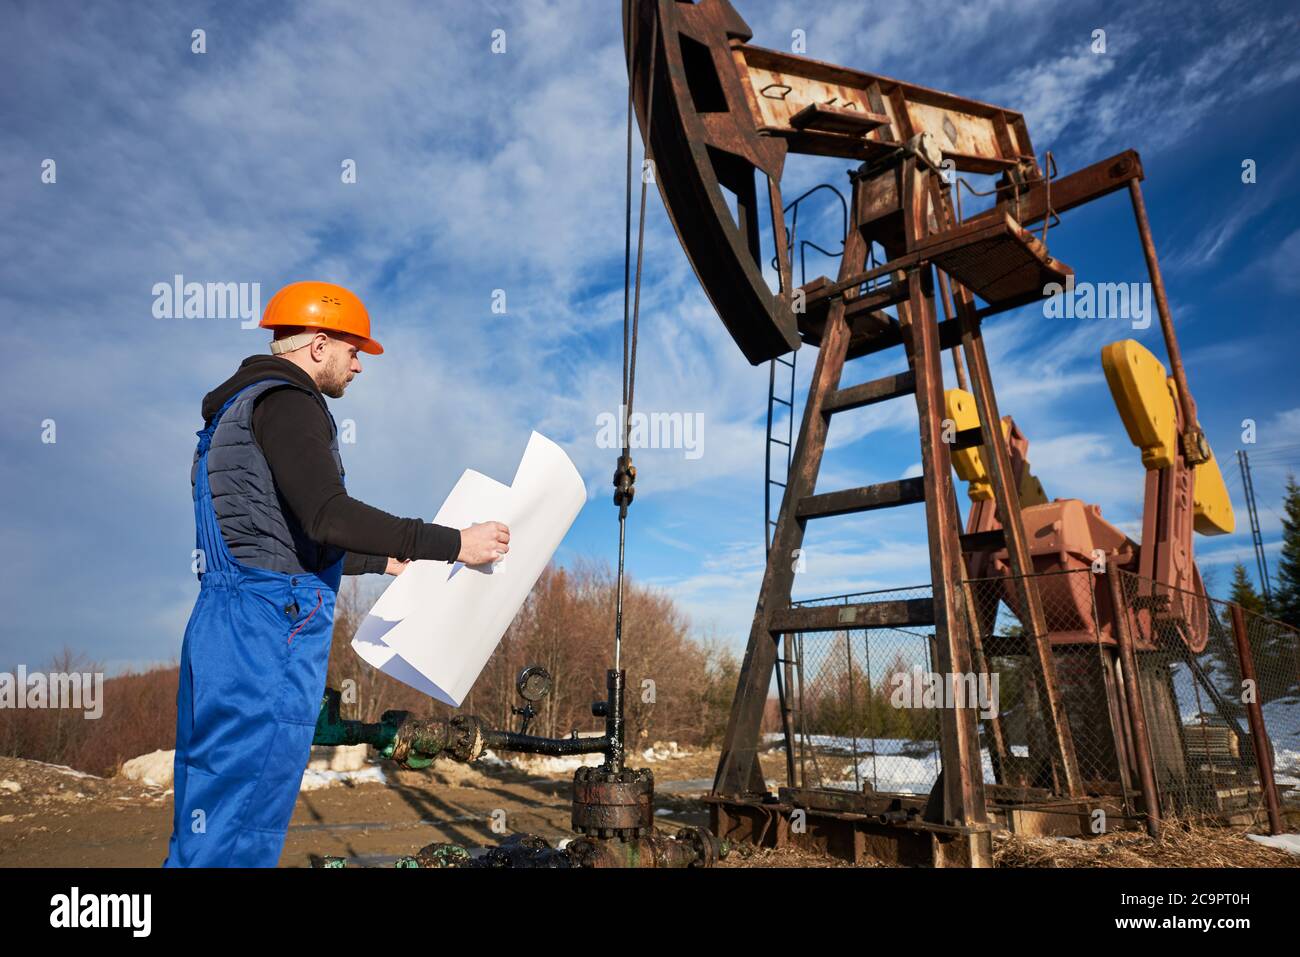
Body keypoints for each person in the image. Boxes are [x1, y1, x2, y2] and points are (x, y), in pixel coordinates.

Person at [163, 280, 509, 867]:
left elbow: (277, 536)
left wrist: (385, 560)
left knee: (212, 809)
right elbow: (328, 516)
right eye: (354, 351)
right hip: (270, 633)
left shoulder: (231, 414)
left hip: (224, 625)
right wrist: (455, 544)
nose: (359, 366)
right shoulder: (290, 402)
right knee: (244, 820)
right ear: (318, 344)